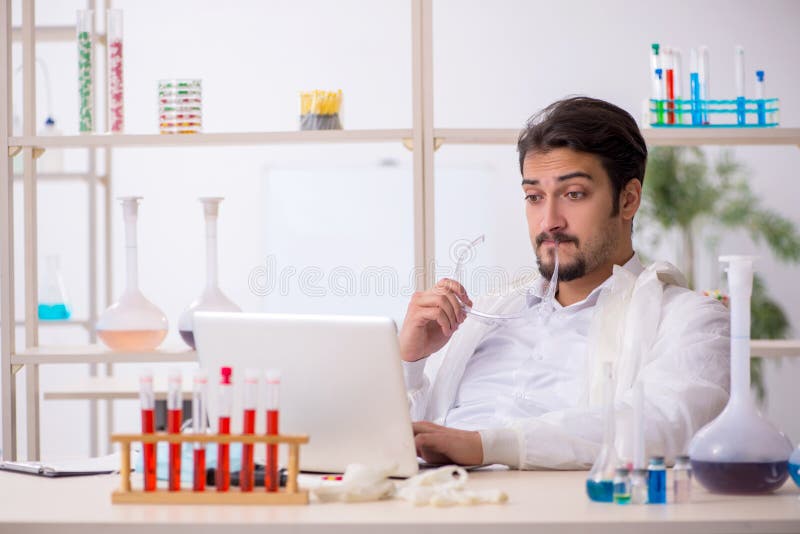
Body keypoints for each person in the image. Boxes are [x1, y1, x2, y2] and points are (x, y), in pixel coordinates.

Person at [399, 96, 730, 469]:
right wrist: (410, 360)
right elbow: (404, 436)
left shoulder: (689, 318)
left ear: (628, 199)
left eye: (573, 194)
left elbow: (664, 423)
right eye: (534, 197)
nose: (549, 221)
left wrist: (485, 446)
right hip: (429, 501)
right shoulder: (484, 314)